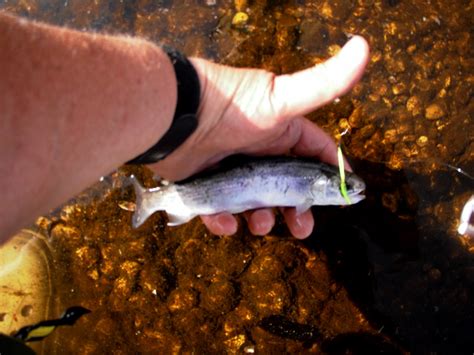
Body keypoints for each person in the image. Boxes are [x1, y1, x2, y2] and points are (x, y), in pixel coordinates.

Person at [0, 11, 369, 244]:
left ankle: (161, 197)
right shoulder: (312, 185)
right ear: (323, 185)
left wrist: (194, 109)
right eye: (347, 186)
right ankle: (158, 198)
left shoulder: (314, 183)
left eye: (349, 188)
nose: (352, 189)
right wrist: (194, 110)